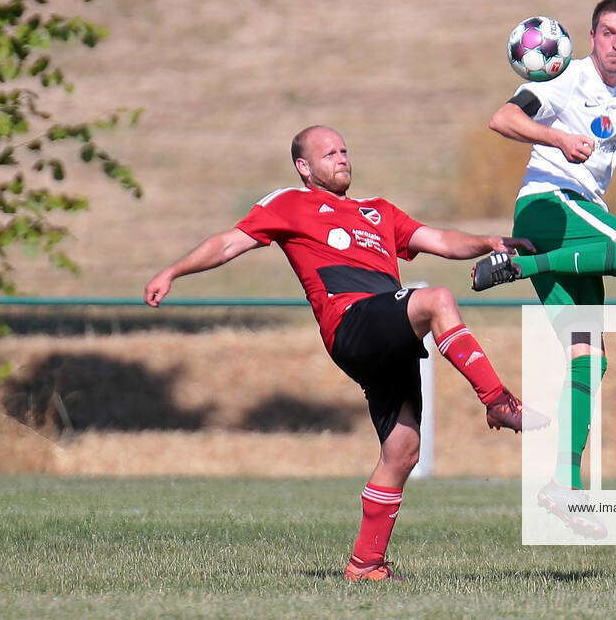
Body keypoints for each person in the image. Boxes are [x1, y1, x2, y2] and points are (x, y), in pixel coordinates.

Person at [144, 125, 548, 581]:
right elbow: (228, 243)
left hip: (387, 332)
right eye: (329, 153)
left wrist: (488, 242)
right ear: (304, 167)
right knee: (437, 300)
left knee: (403, 450)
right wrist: (173, 271)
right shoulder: (289, 204)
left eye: (344, 150)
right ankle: (498, 401)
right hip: (350, 322)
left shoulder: (378, 212)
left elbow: (439, 240)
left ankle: (365, 564)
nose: (341, 158)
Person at [472, 0, 616, 536]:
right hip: (553, 204)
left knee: (587, 359)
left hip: (570, 226)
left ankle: (562, 485)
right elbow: (501, 117)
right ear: (591, 35)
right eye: (607, 33)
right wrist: (557, 137)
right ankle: (522, 266)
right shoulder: (562, 78)